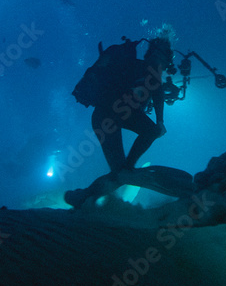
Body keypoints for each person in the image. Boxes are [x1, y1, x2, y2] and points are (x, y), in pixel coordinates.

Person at [66, 37, 174, 206]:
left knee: (120, 172)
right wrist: (160, 121)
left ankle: (89, 194)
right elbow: (158, 94)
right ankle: (120, 173)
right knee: (121, 172)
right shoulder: (146, 70)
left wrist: (159, 122)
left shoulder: (137, 67)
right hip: (107, 116)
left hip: (106, 116)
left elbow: (157, 93)